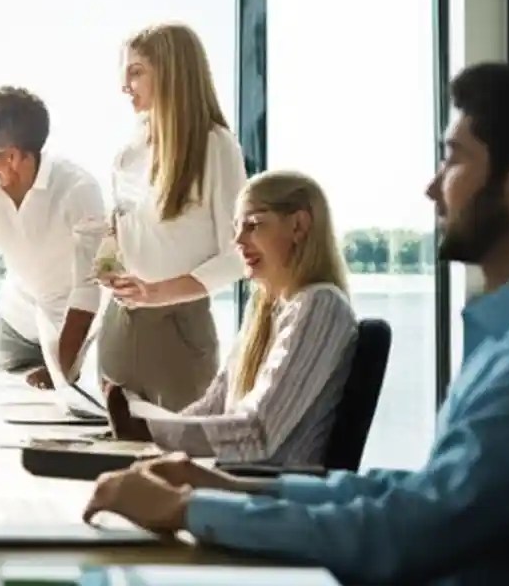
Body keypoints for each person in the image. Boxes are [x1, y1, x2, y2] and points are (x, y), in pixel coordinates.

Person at [84, 62, 509, 585]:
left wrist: (187, 509)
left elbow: (412, 530)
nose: (432, 189)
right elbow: (415, 494)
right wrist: (218, 484)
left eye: (452, 159)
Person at [105, 170, 357, 467]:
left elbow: (258, 433)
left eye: (253, 225)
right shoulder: (262, 308)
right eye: (238, 227)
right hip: (234, 479)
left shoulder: (321, 305)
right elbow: (215, 405)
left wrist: (149, 432)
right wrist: (141, 435)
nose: (238, 240)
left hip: (273, 493)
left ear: (299, 226)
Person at [97, 23, 248, 409]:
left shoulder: (216, 147)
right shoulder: (128, 152)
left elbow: (238, 257)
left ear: (171, 71)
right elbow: (117, 236)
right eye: (124, 71)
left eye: (136, 71)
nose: (124, 85)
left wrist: (156, 294)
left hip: (181, 336)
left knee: (178, 463)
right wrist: (106, 262)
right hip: (118, 329)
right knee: (111, 457)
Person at [0, 86, 106, 389]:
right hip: (16, 323)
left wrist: (61, 371)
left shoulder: (78, 189)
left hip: (73, 328)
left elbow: (88, 288)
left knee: (64, 417)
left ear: (13, 156)